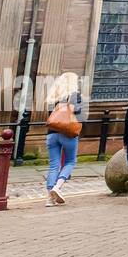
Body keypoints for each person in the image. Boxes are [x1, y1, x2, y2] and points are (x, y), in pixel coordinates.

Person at [44, 71, 84, 206]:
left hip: (51, 134)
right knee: (70, 162)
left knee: (54, 165)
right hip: (68, 132)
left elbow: (52, 116)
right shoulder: (74, 95)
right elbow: (77, 112)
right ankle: (57, 187)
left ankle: (50, 198)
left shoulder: (52, 96)